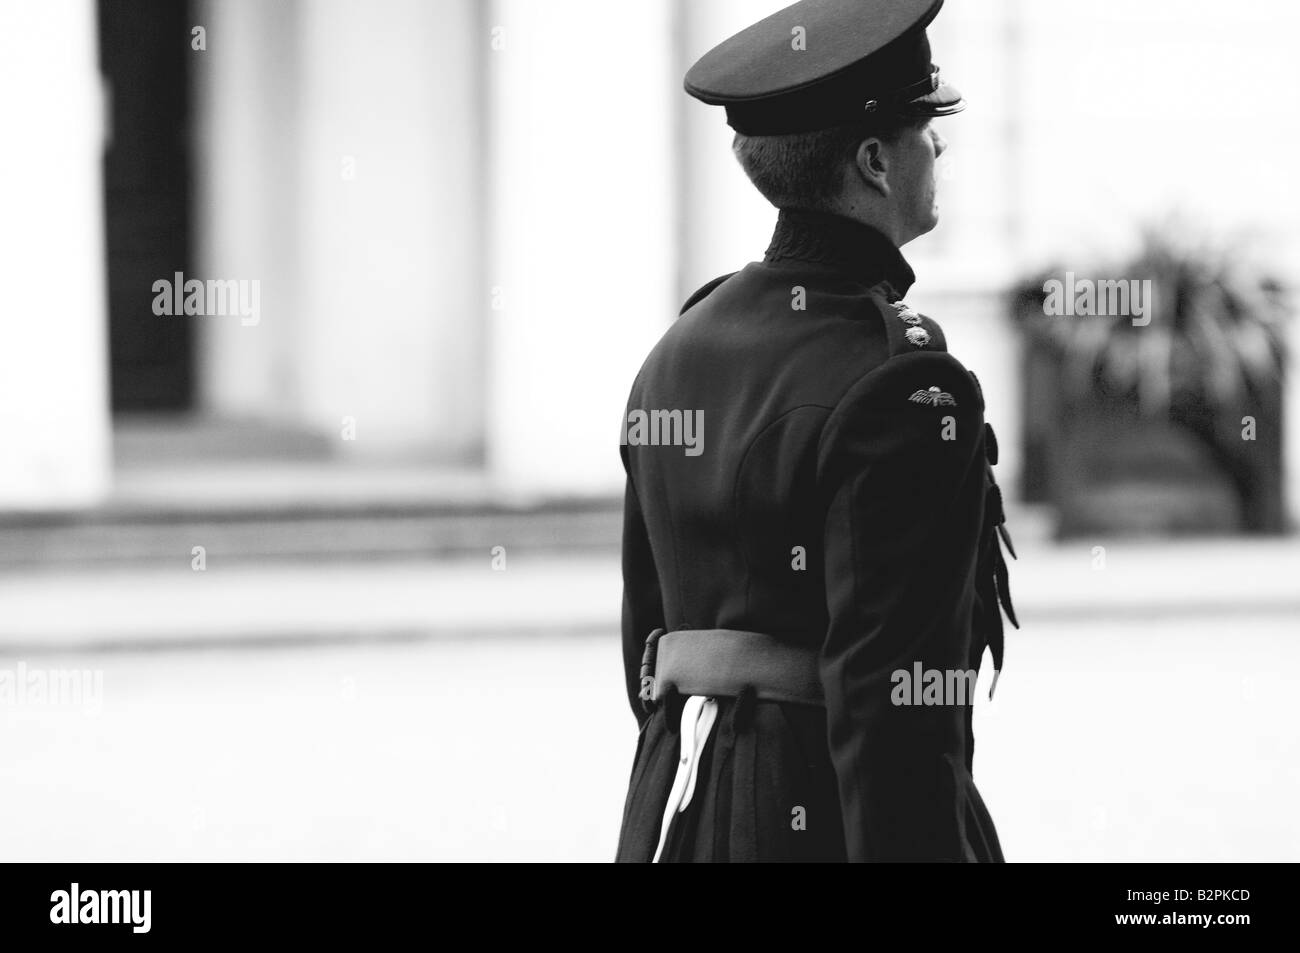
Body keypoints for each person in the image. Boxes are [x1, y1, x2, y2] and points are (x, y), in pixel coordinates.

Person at [615, 0, 1018, 862]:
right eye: (924, 125)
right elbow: (896, 717)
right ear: (874, 161)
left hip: (672, 816)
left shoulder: (678, 349)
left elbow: (647, 646)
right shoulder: (907, 383)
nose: (939, 146)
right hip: (825, 823)